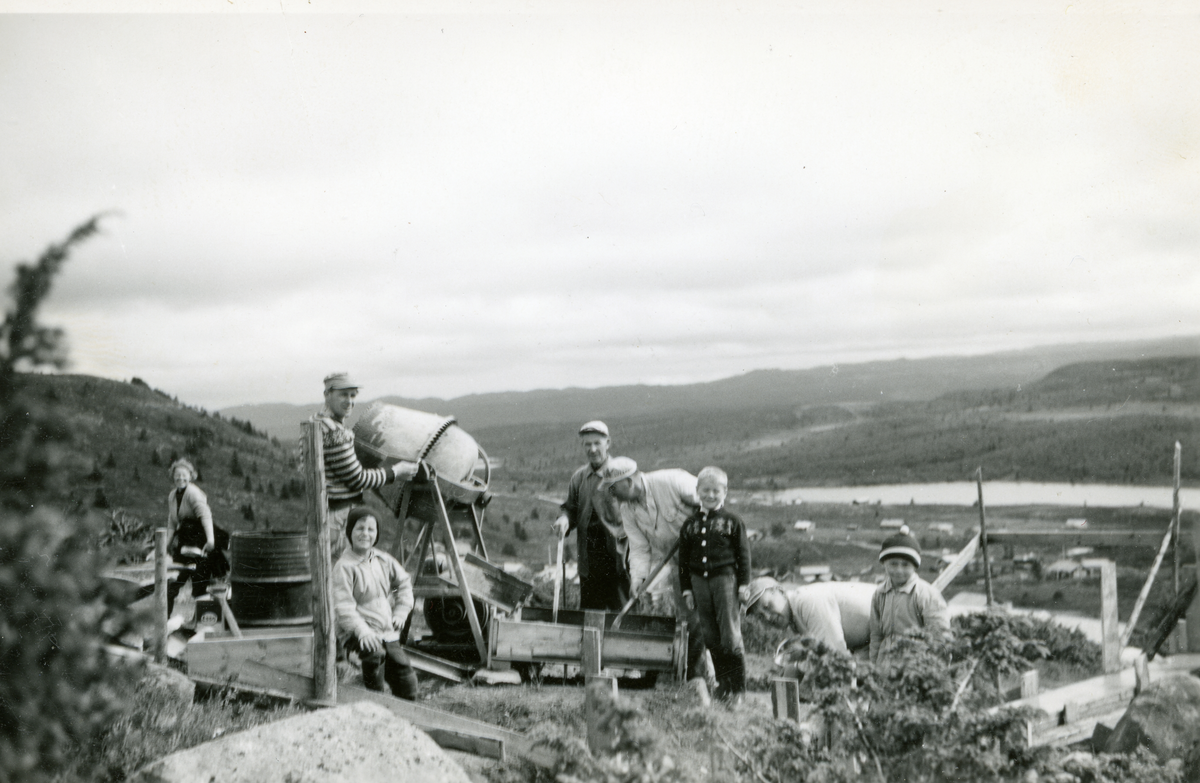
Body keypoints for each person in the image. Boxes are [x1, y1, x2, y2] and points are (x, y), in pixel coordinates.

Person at [604, 457, 708, 685]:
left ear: (629, 481)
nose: (612, 493)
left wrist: (699, 525)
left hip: (709, 557)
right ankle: (694, 678)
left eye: (614, 487)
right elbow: (640, 549)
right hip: (678, 563)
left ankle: (718, 682)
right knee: (689, 618)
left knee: (709, 619)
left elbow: (712, 497)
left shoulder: (671, 481)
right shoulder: (627, 509)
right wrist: (638, 579)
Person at [311, 372, 420, 560]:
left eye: (353, 395)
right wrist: (395, 472)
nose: (349, 401)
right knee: (344, 570)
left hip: (323, 513)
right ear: (327, 394)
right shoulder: (335, 433)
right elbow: (357, 479)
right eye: (343, 395)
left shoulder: (316, 423)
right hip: (339, 516)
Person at [678, 466, 751, 701]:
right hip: (699, 583)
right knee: (709, 634)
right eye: (705, 490)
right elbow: (683, 561)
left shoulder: (732, 521)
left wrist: (743, 585)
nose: (710, 495)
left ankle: (738, 689)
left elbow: (744, 555)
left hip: (725, 582)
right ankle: (723, 685)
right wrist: (687, 589)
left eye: (716, 491)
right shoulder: (690, 524)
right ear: (697, 491)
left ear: (725, 492)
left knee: (729, 634)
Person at [333, 507, 420, 700]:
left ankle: (405, 715)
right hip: (357, 631)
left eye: (371, 529)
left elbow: (403, 584)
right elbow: (343, 606)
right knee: (374, 656)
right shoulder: (344, 567)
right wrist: (362, 630)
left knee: (406, 678)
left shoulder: (383, 560)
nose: (365, 534)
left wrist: (401, 612)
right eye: (360, 528)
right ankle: (373, 703)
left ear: (377, 534)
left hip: (385, 631)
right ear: (350, 532)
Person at [551, 421, 629, 612]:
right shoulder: (579, 478)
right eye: (587, 444)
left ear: (608, 443)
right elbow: (570, 509)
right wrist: (565, 519)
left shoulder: (622, 474)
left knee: (624, 622)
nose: (592, 449)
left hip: (619, 564)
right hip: (589, 564)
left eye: (597, 443)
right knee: (589, 621)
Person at [868, 527, 951, 663]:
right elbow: (876, 634)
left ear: (914, 566)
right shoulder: (880, 593)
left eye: (905, 565)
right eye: (893, 564)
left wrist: (936, 669)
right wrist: (873, 665)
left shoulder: (926, 594)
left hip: (917, 661)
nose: (899, 570)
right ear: (884, 564)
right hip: (886, 661)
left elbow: (940, 635)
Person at [741, 576, 876, 655]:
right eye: (760, 616)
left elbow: (834, 654)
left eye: (767, 606)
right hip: (874, 639)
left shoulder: (807, 601)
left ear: (780, 591)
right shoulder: (795, 616)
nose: (768, 617)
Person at [164, 458, 229, 613]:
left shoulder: (193, 493)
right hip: (185, 545)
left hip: (202, 544)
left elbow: (206, 517)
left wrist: (211, 541)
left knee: (201, 586)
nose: (180, 478)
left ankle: (206, 626)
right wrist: (165, 546)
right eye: (177, 475)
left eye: (184, 475)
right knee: (172, 584)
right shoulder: (172, 496)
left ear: (191, 476)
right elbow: (172, 523)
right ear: (173, 476)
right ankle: (164, 625)